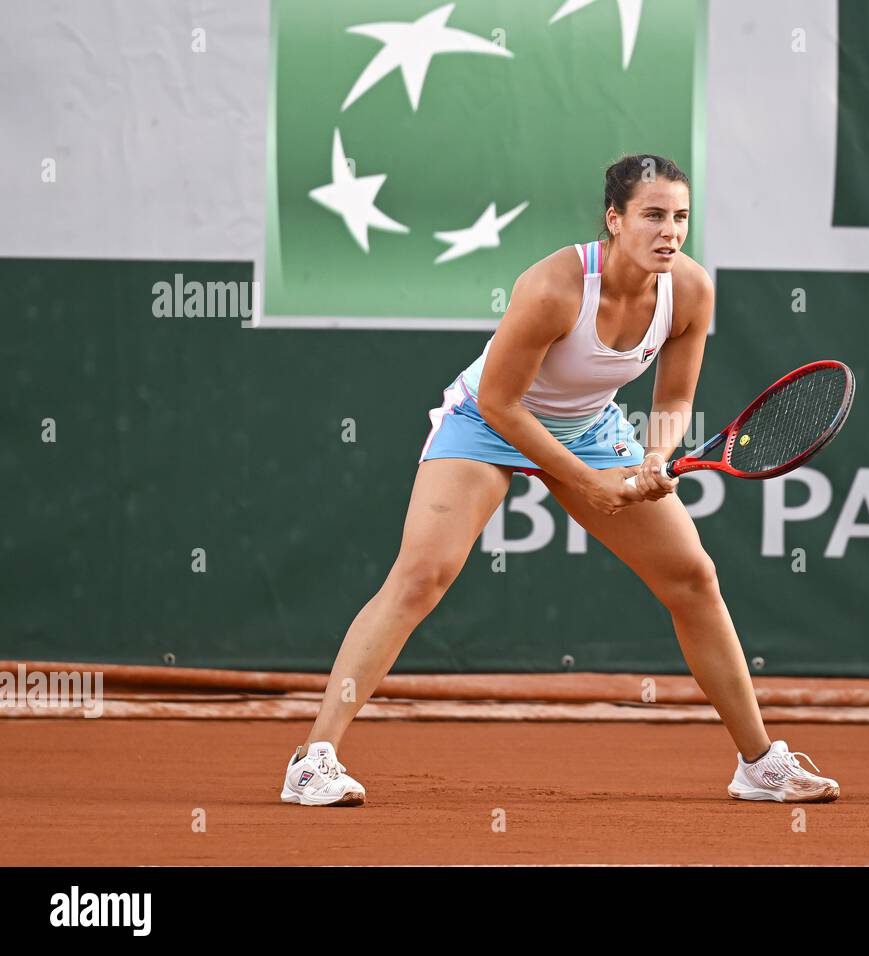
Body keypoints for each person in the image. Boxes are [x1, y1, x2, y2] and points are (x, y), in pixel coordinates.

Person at [280, 154, 840, 807]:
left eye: (681, 217)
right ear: (615, 219)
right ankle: (312, 761)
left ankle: (760, 764)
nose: (670, 231)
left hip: (590, 425)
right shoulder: (552, 288)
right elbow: (500, 402)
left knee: (693, 577)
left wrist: (656, 458)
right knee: (420, 578)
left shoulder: (689, 290)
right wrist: (585, 481)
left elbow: (673, 400)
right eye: (653, 215)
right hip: (488, 421)